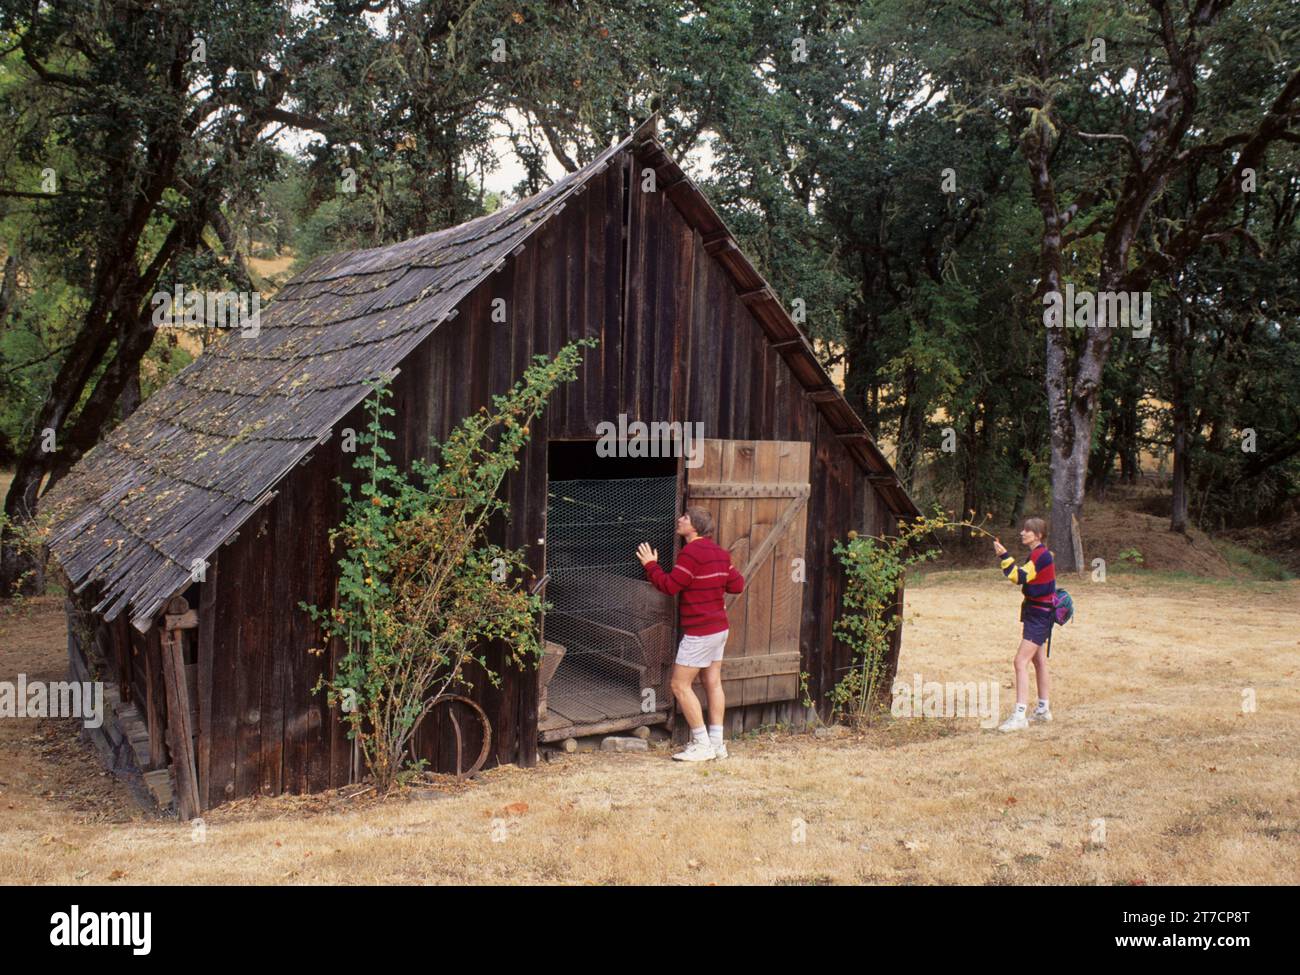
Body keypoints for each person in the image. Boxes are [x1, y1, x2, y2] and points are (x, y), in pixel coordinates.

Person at [636, 506, 744, 761]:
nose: (680, 520)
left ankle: (701, 744)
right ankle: (717, 744)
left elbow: (670, 585)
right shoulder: (719, 553)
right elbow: (737, 585)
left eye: (684, 517)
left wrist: (651, 565)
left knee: (679, 684)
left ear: (694, 526)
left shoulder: (691, 553)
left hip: (700, 632)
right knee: (713, 683)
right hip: (720, 628)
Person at [993, 517, 1055, 732]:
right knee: (1038, 661)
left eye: (1028, 531)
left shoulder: (1041, 555)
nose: (1022, 533)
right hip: (1038, 614)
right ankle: (1043, 709)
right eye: (1023, 529)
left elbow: (1017, 577)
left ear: (1038, 535)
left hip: (1039, 616)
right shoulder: (1039, 554)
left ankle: (1020, 716)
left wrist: (1003, 555)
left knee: (1020, 662)